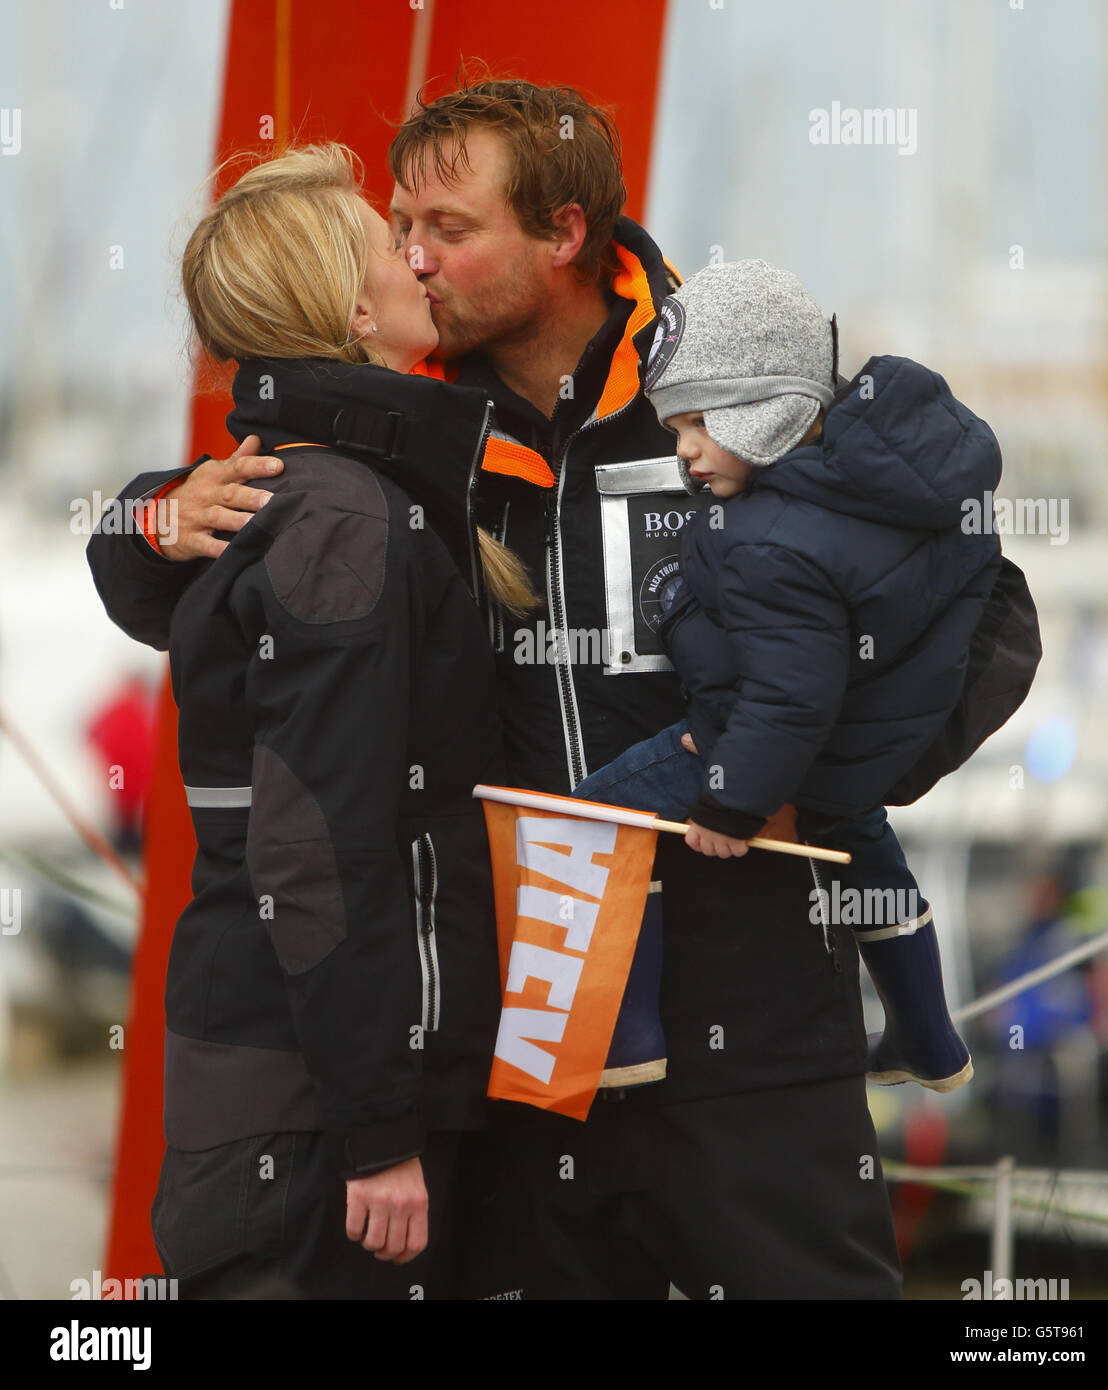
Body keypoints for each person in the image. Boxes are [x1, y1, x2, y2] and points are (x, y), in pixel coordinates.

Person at [88, 80, 902, 1300]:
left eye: (448, 229)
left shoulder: (739, 381)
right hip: (522, 1032)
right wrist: (146, 519)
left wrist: (804, 772)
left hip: (748, 1010)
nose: (417, 254)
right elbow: (241, 554)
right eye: (399, 228)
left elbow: (968, 614)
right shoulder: (408, 431)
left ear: (562, 233)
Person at [113, 143, 542, 1299]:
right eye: (388, 244)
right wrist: (376, 1129)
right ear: (352, 306)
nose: (417, 258)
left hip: (274, 1106)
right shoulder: (343, 516)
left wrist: (134, 520)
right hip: (314, 1133)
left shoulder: (294, 490)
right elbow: (316, 842)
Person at [575, 257, 1006, 1094]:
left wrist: (730, 800)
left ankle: (622, 1040)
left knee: (598, 817)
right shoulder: (879, 481)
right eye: (673, 429)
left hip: (764, 743)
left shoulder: (768, 537)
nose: (684, 451)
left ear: (767, 409)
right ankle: (928, 1035)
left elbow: (788, 693)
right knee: (863, 843)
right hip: (861, 745)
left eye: (698, 421)